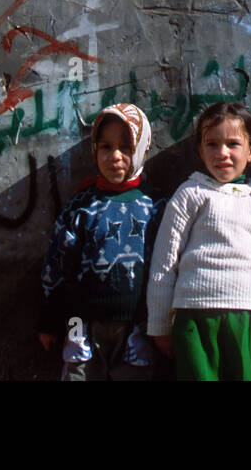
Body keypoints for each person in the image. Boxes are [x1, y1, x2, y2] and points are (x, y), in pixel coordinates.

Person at [146, 102, 251, 381]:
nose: (222, 153)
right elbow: (164, 262)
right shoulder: (190, 194)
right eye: (212, 144)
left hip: (250, 317)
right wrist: (159, 325)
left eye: (233, 143)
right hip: (193, 315)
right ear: (200, 150)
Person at [37, 104, 165, 380]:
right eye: (106, 147)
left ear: (142, 148)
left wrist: (164, 324)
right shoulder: (82, 206)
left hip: (137, 327)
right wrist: (49, 320)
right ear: (95, 150)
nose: (115, 157)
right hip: (81, 325)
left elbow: (167, 268)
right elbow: (56, 263)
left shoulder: (155, 206)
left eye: (126, 147)